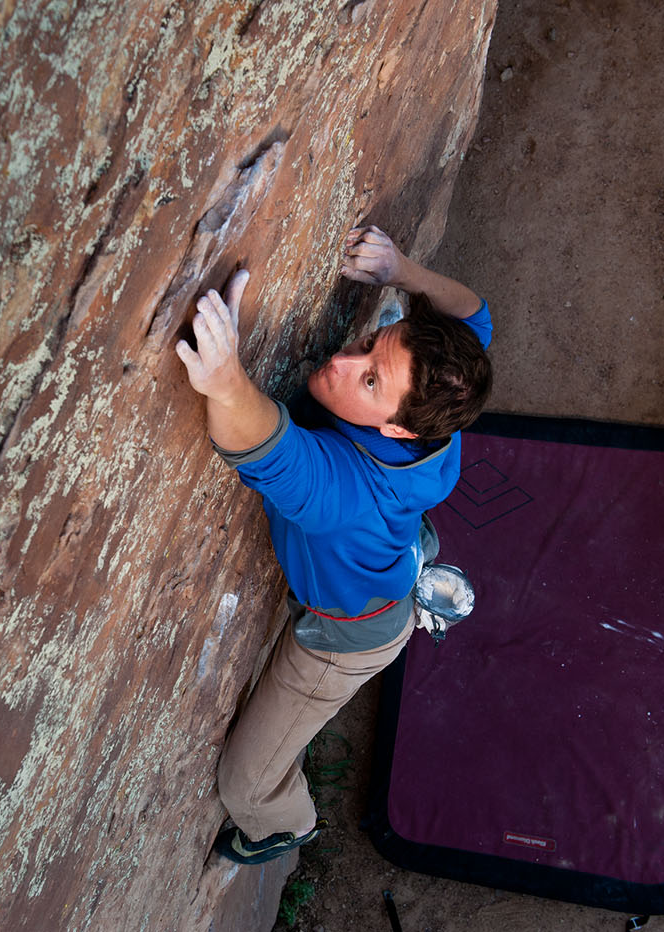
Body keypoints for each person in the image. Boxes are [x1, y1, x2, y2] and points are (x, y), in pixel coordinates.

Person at [175, 225, 493, 864]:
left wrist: (226, 375)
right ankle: (413, 565)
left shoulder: (346, 496)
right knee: (386, 539)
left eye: (370, 380)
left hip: (346, 637)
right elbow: (474, 314)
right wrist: (402, 271)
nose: (345, 362)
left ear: (398, 428)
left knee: (244, 782)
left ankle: (285, 825)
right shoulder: (442, 398)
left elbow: (264, 447)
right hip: (383, 547)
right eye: (373, 343)